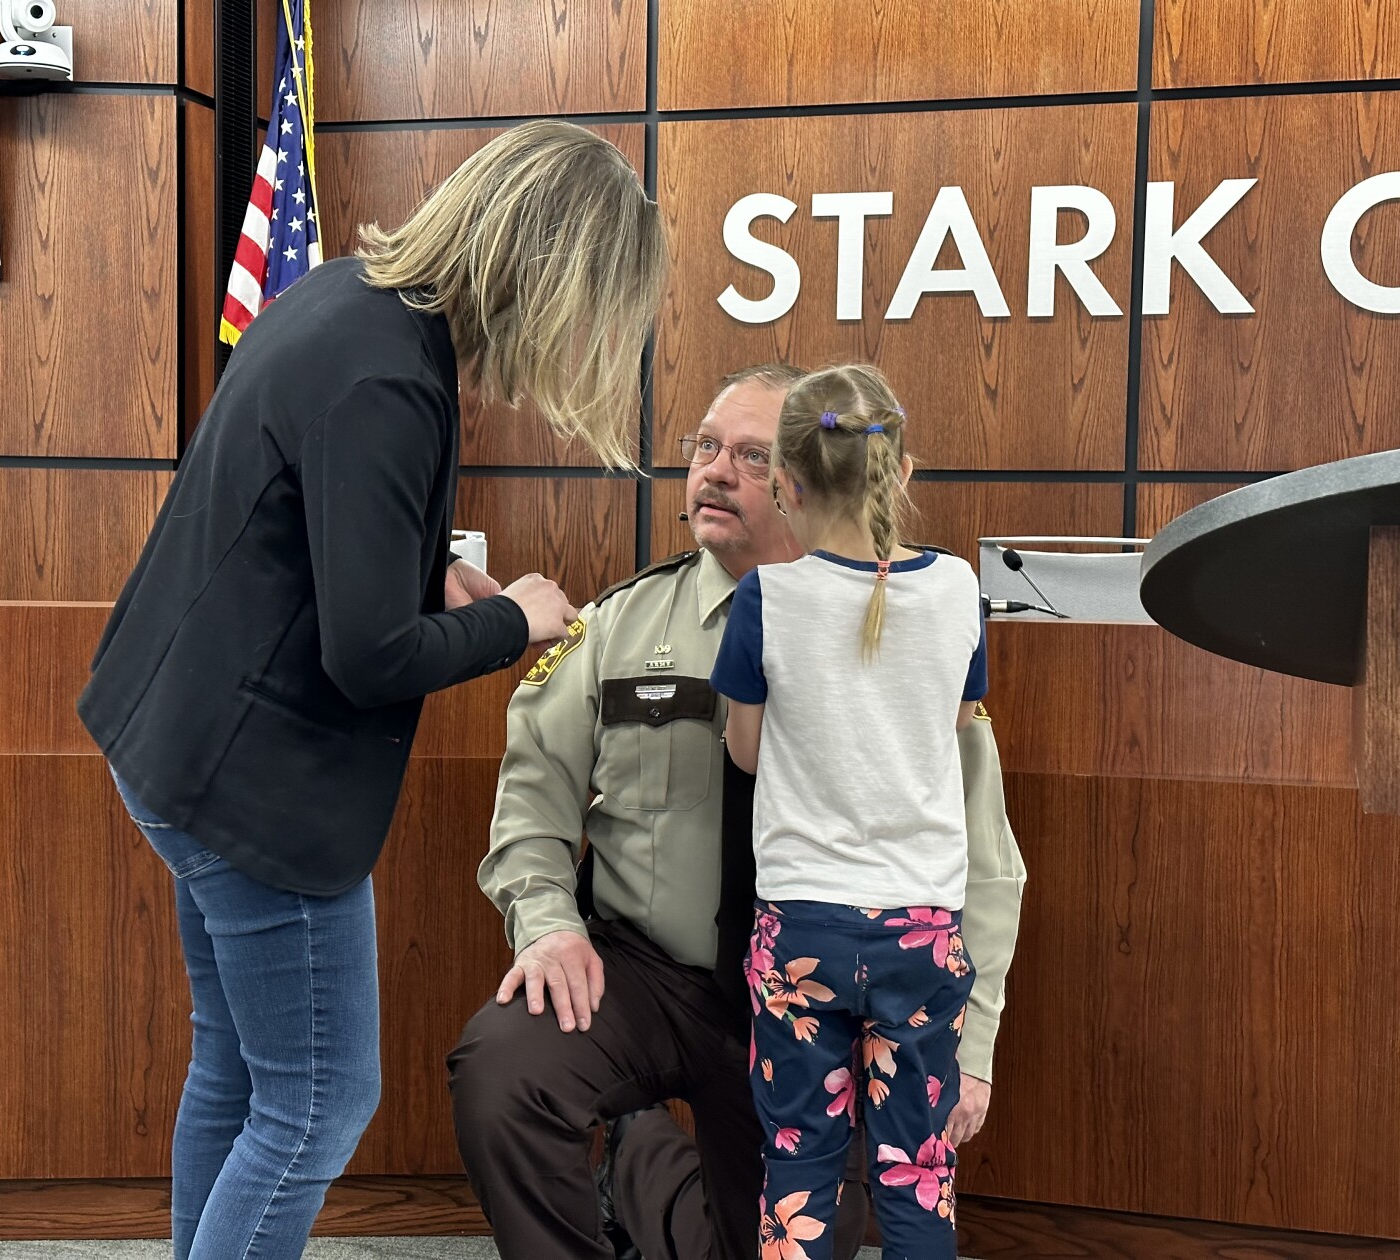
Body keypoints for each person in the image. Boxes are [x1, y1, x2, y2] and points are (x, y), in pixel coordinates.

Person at [77, 120, 669, 1259]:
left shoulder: (350, 297)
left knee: (237, 1067)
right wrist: (513, 620)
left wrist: (423, 568)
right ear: (549, 276)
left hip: (170, 737)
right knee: (318, 1102)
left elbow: (306, 521)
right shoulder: (393, 378)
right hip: (255, 792)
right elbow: (371, 658)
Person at [449, 363, 1026, 1260]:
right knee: (504, 1073)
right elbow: (534, 792)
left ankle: (640, 1160)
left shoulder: (910, 628)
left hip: (813, 992)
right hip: (646, 977)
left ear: (798, 479)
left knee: (797, 1236)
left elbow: (983, 863)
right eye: (706, 447)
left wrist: (973, 1045)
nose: (714, 471)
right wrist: (546, 925)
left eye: (750, 456)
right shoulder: (623, 622)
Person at [712, 364, 983, 1260]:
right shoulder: (958, 589)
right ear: (900, 472)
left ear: (785, 485)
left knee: (799, 1162)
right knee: (917, 1170)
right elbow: (956, 721)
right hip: (922, 927)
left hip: (803, 927)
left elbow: (746, 752)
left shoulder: (766, 598)